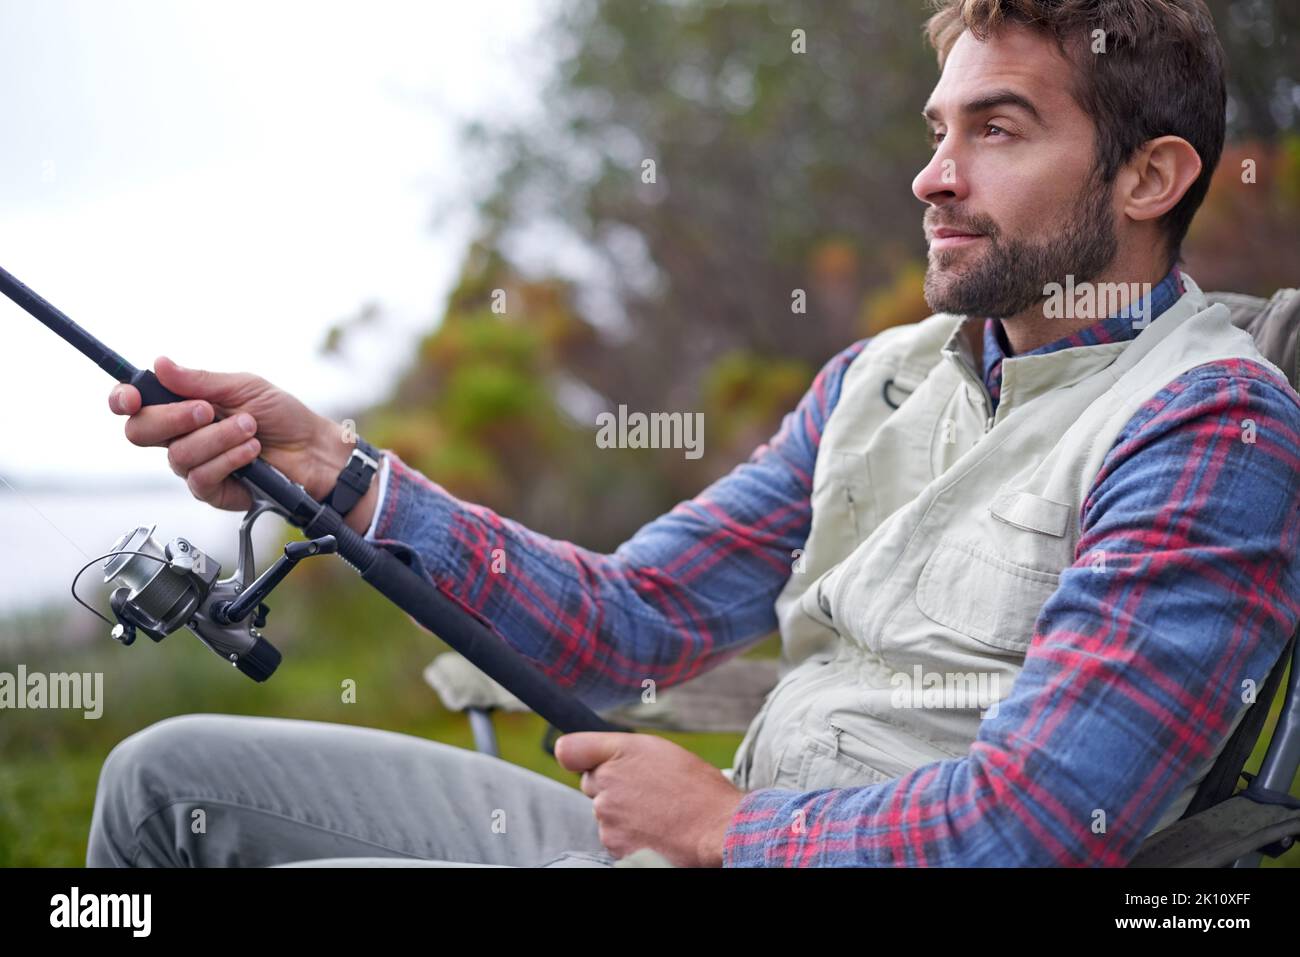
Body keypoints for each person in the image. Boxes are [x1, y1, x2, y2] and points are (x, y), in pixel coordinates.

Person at [87, 0, 1300, 868]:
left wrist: (725, 831)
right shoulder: (874, 382)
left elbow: (1036, 825)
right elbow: (636, 621)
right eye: (938, 131)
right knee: (167, 778)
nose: (932, 176)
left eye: (997, 129)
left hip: (733, 837)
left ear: (1149, 180)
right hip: (692, 828)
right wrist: (344, 481)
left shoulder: (1207, 424)